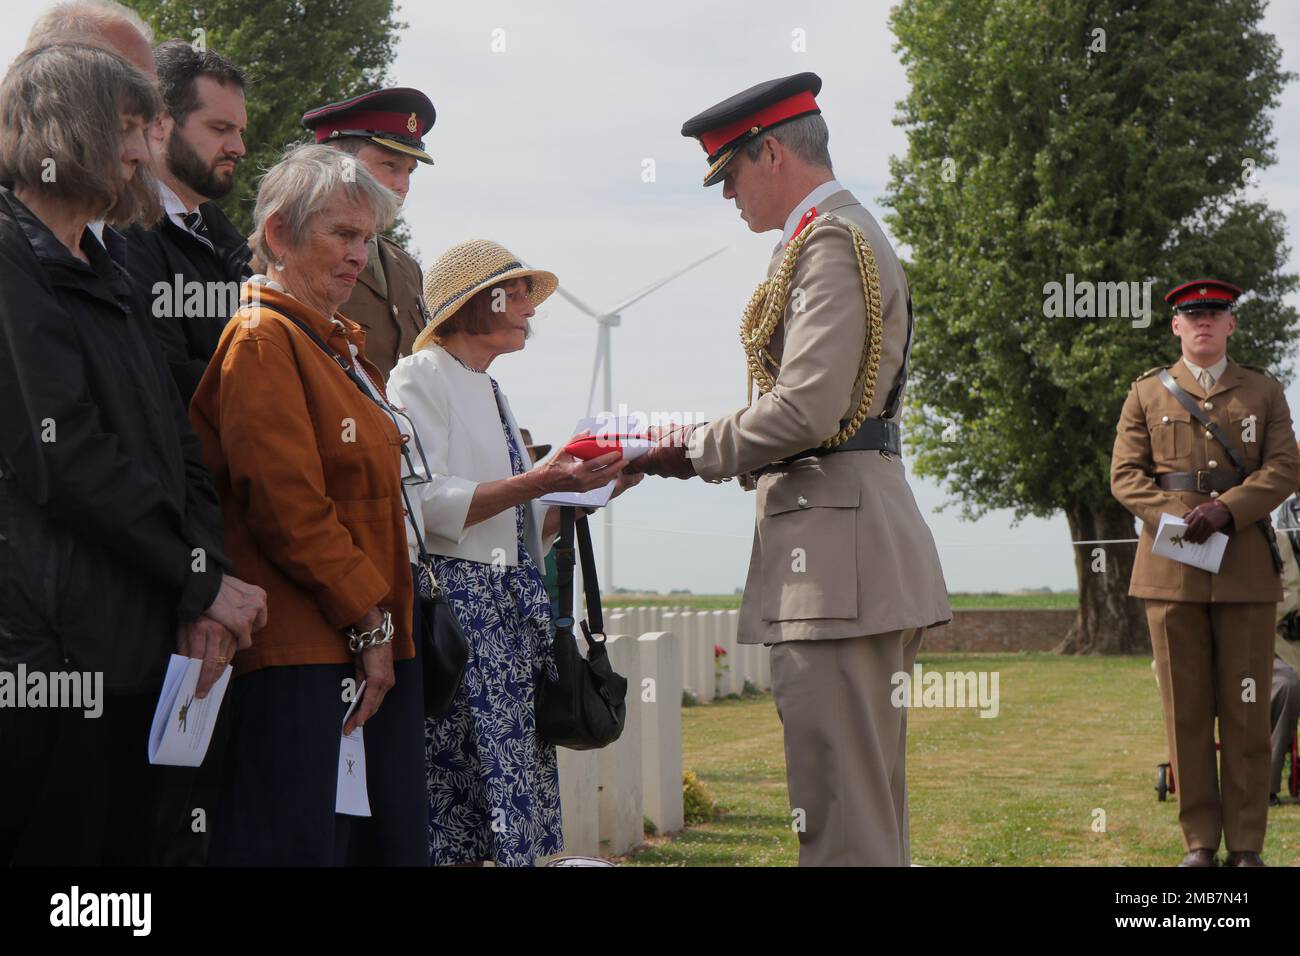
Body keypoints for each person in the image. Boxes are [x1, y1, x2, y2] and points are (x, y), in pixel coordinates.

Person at [626, 73, 951, 866]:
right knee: (856, 804)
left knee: (843, 812)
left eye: (730, 174)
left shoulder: (831, 242)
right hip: (842, 545)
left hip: (838, 559)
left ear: (770, 153)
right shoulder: (825, 238)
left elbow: (806, 410)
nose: (728, 195)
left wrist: (688, 449)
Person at [0, 42, 265, 866]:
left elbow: (176, 438)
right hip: (51, 661)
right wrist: (199, 580)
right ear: (63, 131)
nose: (143, 151)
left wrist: (200, 592)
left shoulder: (109, 268)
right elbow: (61, 454)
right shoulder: (10, 258)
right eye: (127, 129)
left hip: (141, 649)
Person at [190, 144, 425, 865]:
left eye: (368, 238)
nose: (359, 255)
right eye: (341, 234)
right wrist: (370, 621)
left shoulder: (335, 345)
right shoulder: (265, 341)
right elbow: (288, 508)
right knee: (298, 846)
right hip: (305, 653)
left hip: (358, 643)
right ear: (280, 234)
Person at [387, 239, 637, 866]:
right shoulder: (422, 375)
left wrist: (587, 493)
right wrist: (544, 479)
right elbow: (425, 504)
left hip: (506, 614)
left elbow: (518, 527)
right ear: (477, 303)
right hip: (463, 614)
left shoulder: (491, 389)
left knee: (499, 795)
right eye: (519, 294)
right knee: (459, 801)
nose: (530, 309)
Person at [1111, 278, 1300, 866]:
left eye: (1215, 315)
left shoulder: (1264, 392)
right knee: (1186, 712)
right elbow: (1125, 476)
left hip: (1243, 568)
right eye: (1192, 315)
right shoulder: (1146, 393)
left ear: (1231, 325)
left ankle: (1245, 845)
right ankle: (1199, 842)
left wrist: (1229, 509)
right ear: (1176, 326)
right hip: (1171, 571)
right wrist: (1181, 516)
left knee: (1245, 711)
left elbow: (1287, 466)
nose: (1204, 324)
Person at [122, 40, 252, 405]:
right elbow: (169, 377)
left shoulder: (222, 235)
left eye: (240, 130)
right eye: (220, 128)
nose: (238, 147)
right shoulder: (123, 228)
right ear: (161, 123)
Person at [303, 87, 435, 379]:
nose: (403, 186)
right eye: (390, 165)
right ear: (339, 162)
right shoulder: (291, 253)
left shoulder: (406, 267)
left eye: (410, 171)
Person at [1270, 484, 1300, 804]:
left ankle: (1264, 785)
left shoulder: (1278, 540)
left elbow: (1290, 593)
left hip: (1271, 646)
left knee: (1286, 685)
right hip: (1213, 651)